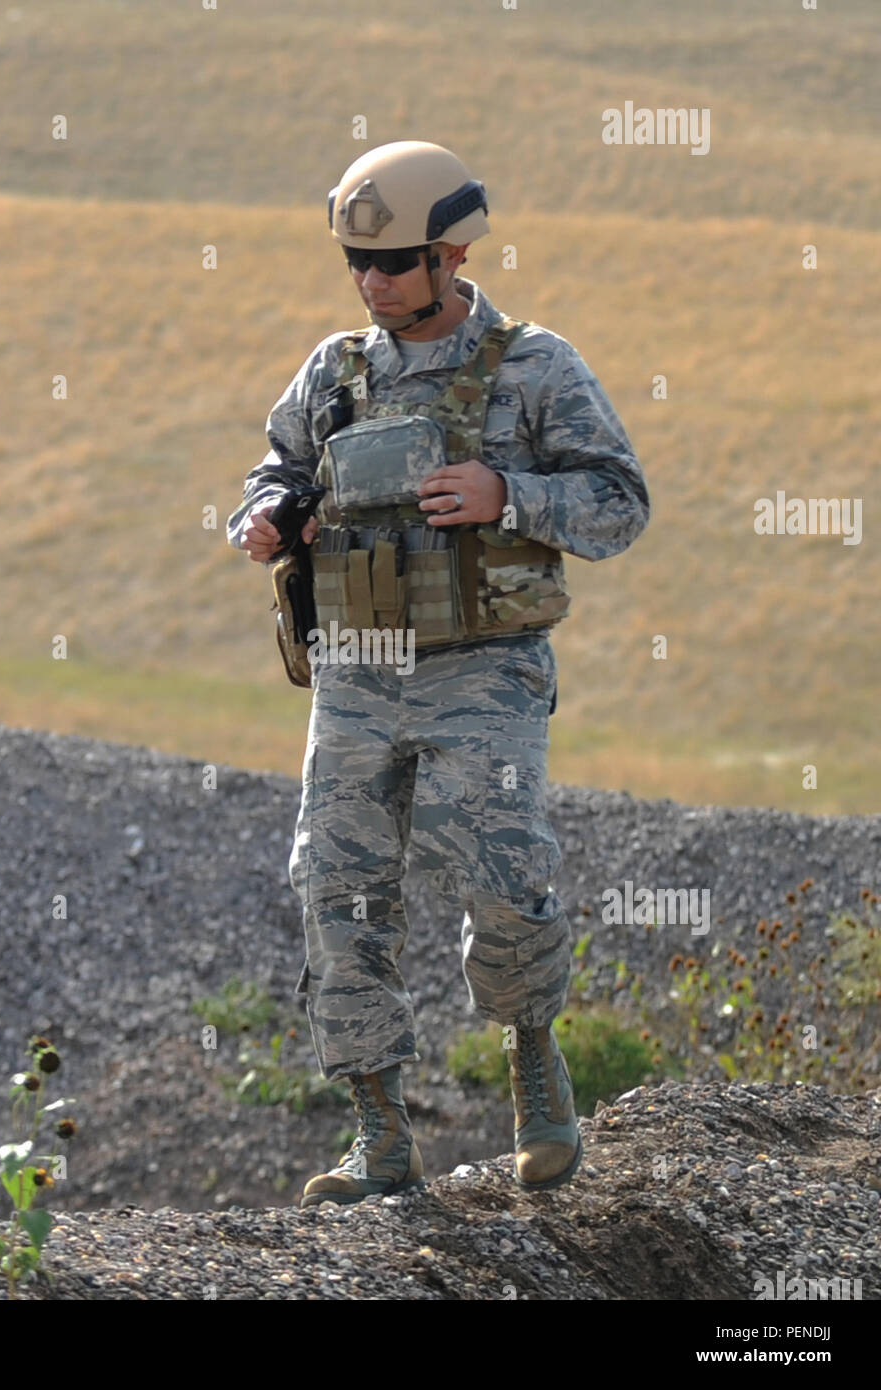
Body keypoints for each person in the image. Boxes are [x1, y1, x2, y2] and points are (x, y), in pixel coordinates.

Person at [226, 140, 650, 1209]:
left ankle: (533, 1065)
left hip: (484, 668)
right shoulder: (334, 370)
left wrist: (507, 493)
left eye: (396, 262)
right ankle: (377, 1130)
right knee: (335, 889)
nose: (373, 284)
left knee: (507, 870)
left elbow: (618, 502)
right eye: (355, 264)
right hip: (357, 667)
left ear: (452, 251)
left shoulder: (531, 365)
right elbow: (274, 464)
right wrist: (266, 515)